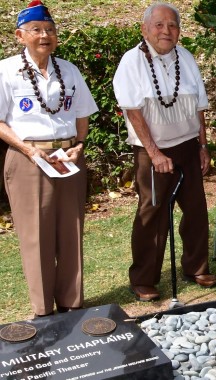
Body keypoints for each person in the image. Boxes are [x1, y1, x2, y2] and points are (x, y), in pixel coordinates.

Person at [113, 2, 216, 302]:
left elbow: (198, 107)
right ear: (145, 28)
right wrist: (155, 153)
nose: (166, 31)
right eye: (159, 25)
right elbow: (132, 112)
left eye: (172, 25)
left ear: (179, 31)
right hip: (152, 152)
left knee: (196, 210)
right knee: (152, 214)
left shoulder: (185, 57)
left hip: (187, 146)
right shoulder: (131, 61)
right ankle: (144, 278)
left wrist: (202, 145)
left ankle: (196, 267)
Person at [0, 0, 97, 318]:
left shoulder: (68, 70)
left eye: (51, 30)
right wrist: (29, 150)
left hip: (67, 156)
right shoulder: (5, 71)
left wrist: (79, 144)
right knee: (35, 235)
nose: (46, 35)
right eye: (37, 30)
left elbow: (82, 113)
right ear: (20, 35)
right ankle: (43, 311)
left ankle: (72, 304)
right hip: (29, 158)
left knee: (71, 230)